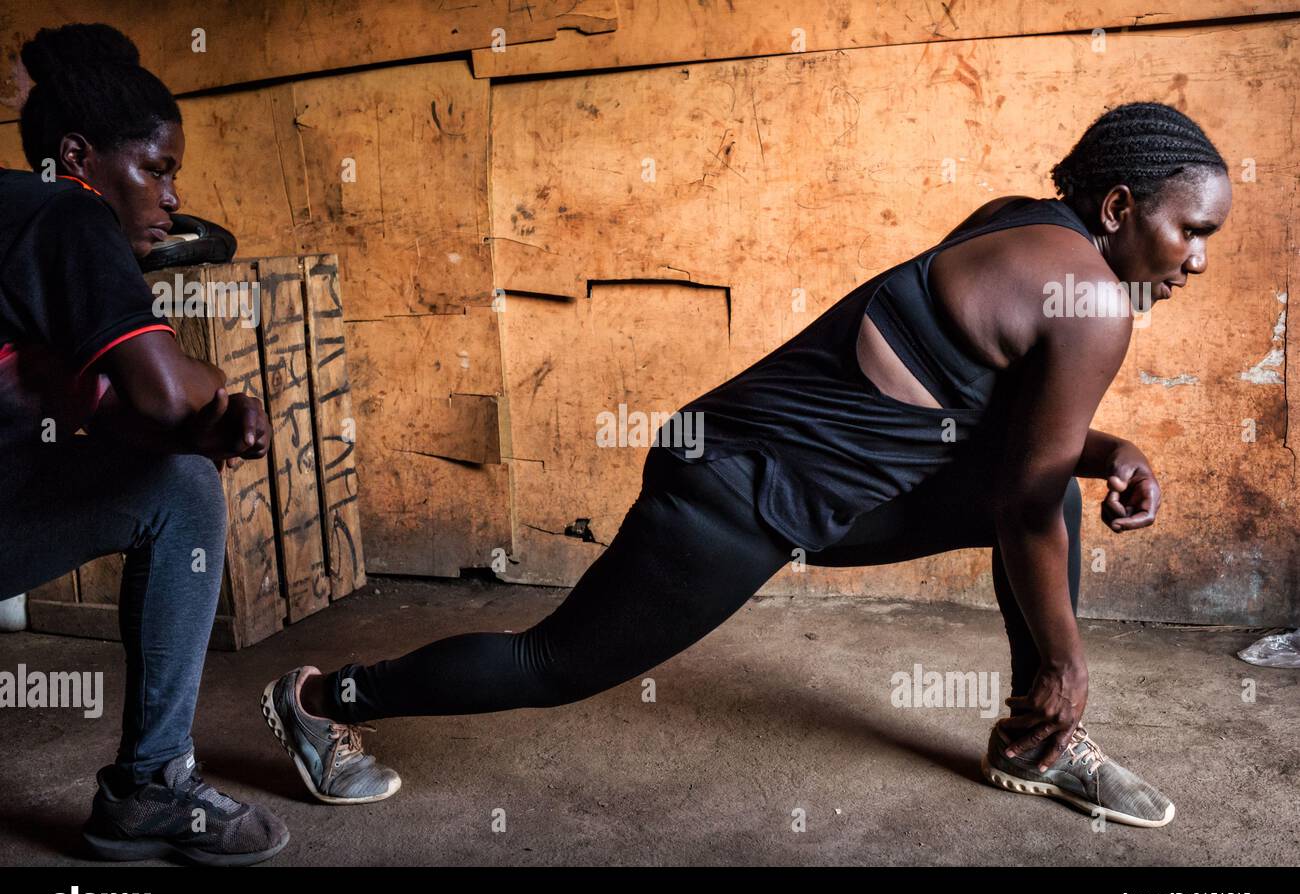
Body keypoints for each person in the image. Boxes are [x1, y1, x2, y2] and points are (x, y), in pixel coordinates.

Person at [265, 103, 1229, 828]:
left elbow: (1003, 437)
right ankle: (320, 700)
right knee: (554, 664)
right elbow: (1019, 505)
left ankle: (1034, 742)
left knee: (1054, 484)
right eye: (1192, 232)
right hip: (732, 497)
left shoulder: (1020, 223)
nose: (1194, 262)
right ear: (1118, 205)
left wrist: (1110, 452)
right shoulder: (1094, 304)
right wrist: (1068, 662)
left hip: (797, 485)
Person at [0, 23, 291, 865]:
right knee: (185, 486)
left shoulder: (32, 229)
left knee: (177, 480)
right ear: (80, 155)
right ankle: (151, 783)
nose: (169, 198)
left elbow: (134, 416)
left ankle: (152, 789)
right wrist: (225, 391)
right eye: (156, 169)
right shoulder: (66, 213)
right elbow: (161, 390)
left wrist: (199, 425)